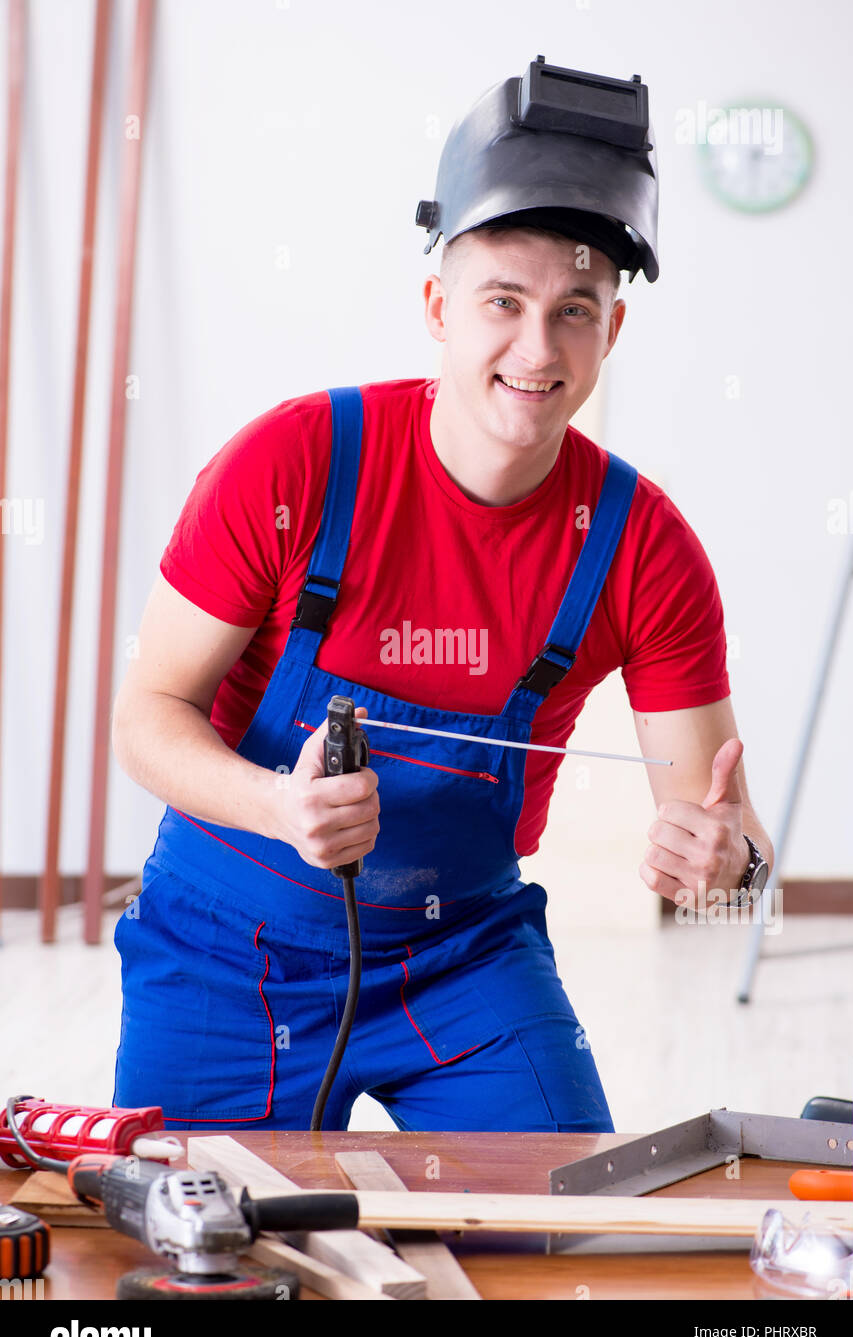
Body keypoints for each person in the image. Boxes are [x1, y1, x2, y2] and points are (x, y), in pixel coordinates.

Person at [111, 59, 773, 1133]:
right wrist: (282, 807)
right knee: (202, 1251)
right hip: (226, 955)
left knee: (561, 1236)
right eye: (502, 303)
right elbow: (145, 721)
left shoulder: (644, 549)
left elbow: (727, 845)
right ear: (438, 305)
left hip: (465, 963)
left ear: (613, 331)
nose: (535, 349)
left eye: (575, 310)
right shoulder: (294, 465)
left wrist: (729, 866)